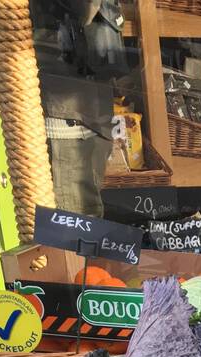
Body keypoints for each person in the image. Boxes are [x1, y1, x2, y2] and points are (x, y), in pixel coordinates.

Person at [30, 0, 128, 216]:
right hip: (78, 107)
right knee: (77, 224)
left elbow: (86, 8)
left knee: (72, 229)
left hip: (68, 111)